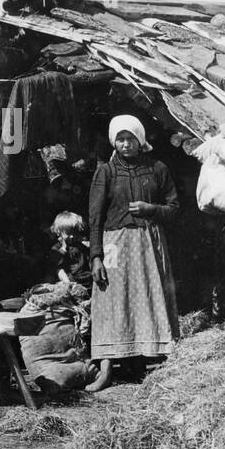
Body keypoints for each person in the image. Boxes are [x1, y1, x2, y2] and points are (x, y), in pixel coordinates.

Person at [85, 115, 180, 391]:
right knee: (110, 299)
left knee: (147, 298)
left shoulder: (157, 168)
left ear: (140, 140)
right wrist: (96, 256)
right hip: (114, 243)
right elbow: (95, 217)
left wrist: (151, 209)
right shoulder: (106, 171)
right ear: (113, 141)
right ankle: (105, 371)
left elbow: (175, 208)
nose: (125, 144)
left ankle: (144, 362)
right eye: (120, 139)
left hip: (149, 242)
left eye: (130, 139)